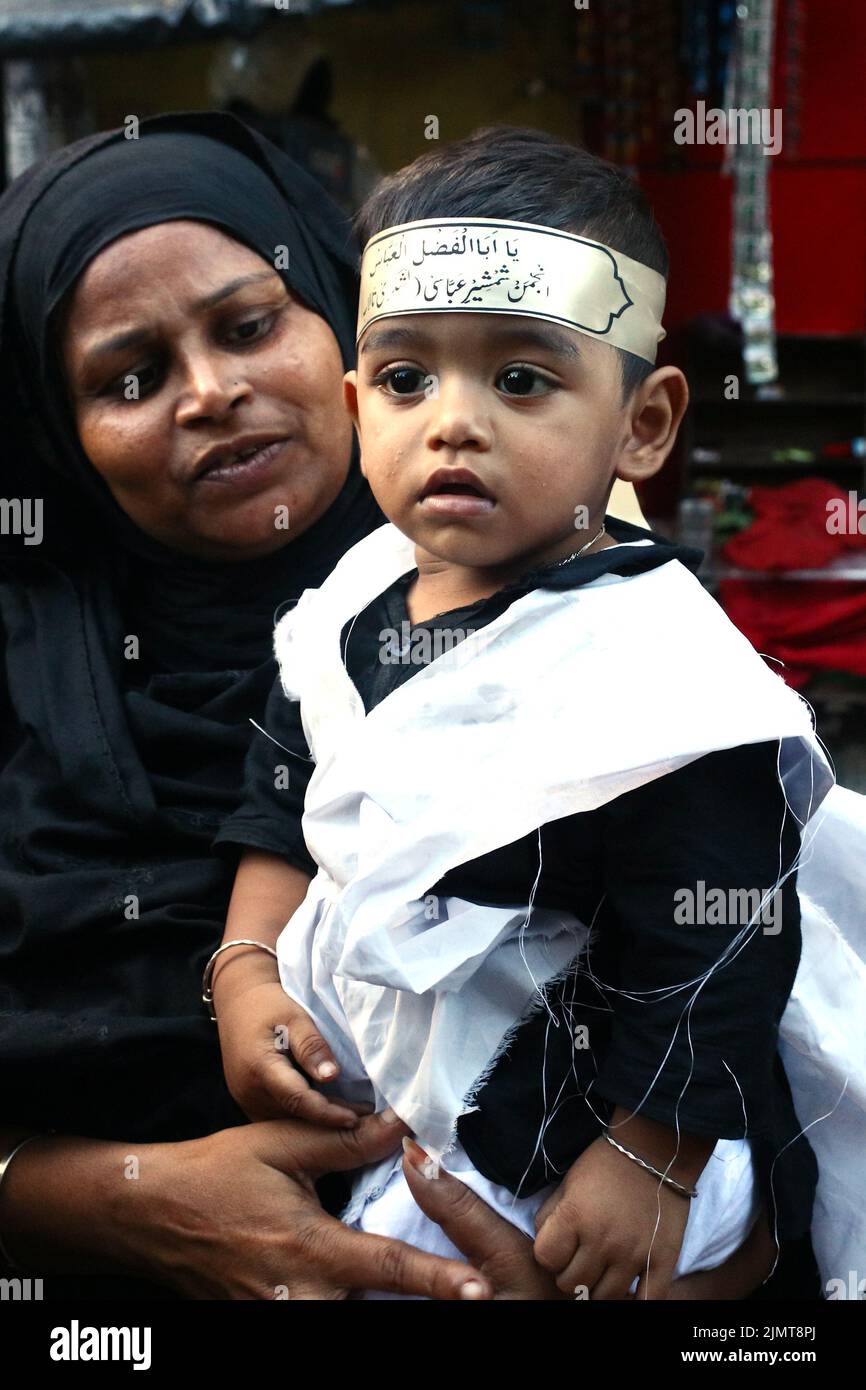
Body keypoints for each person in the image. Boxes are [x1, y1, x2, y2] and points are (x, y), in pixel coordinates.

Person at [213, 128, 865, 1299]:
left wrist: (649, 1161)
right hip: (410, 1092)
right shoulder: (347, 603)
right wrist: (249, 971)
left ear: (642, 423)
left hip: (600, 1123)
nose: (452, 421)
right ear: (358, 405)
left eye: (521, 379)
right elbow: (279, 802)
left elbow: (716, 934)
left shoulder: (657, 674)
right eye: (407, 379)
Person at [0, 109, 521, 1301]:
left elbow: (750, 994)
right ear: (58, 438)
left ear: (338, 322)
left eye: (247, 326)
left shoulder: (551, 607)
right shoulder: (23, 679)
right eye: (128, 378)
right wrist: (125, 1206)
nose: (210, 393)